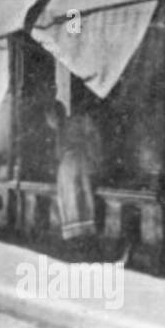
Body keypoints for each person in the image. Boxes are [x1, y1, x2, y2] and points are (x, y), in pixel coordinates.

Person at [46, 101, 101, 241]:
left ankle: (82, 231)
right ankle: (76, 232)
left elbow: (92, 132)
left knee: (78, 195)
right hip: (68, 166)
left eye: (51, 117)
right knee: (71, 197)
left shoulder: (76, 122)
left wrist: (92, 157)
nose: (50, 121)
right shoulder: (60, 129)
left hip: (76, 163)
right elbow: (58, 153)